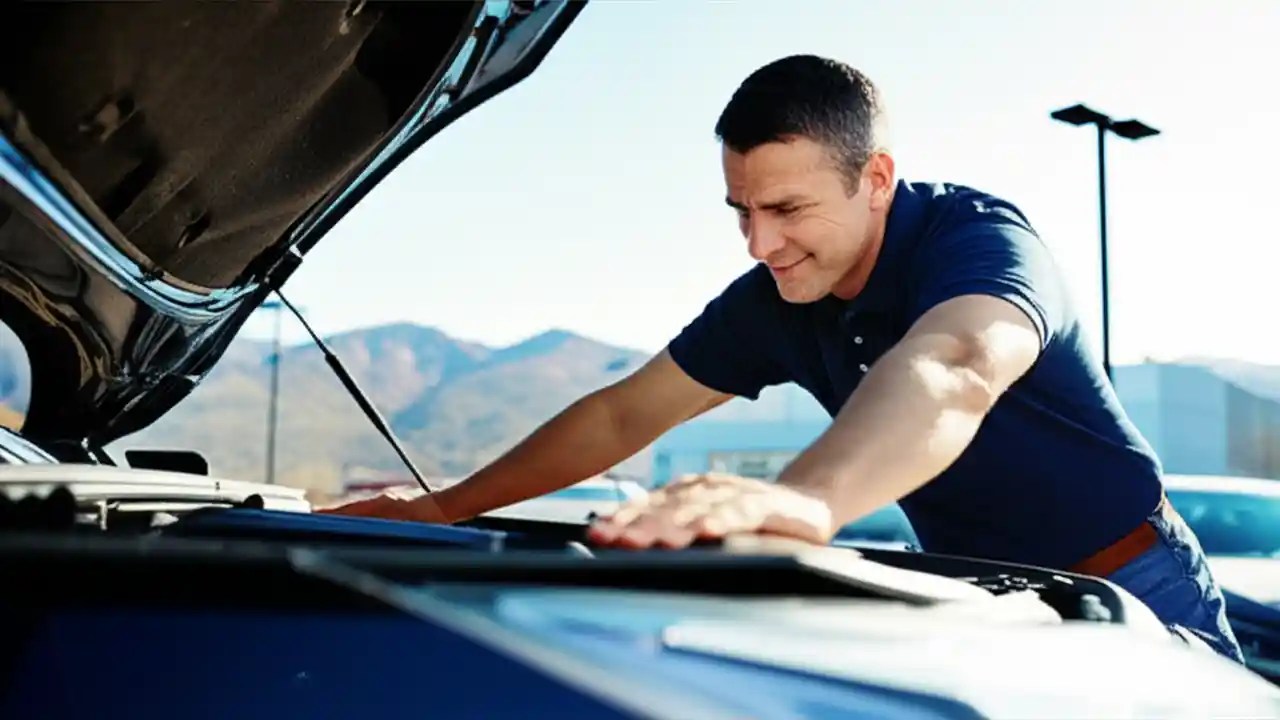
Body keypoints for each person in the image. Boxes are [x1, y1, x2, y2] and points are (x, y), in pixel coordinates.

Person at [323, 54, 1244, 663]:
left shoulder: (980, 243)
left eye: (789, 210)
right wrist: (444, 506)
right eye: (741, 210)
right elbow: (621, 414)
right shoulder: (779, 295)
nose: (759, 244)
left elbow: (955, 363)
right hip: (984, 606)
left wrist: (802, 500)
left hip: (1134, 587)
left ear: (875, 180)